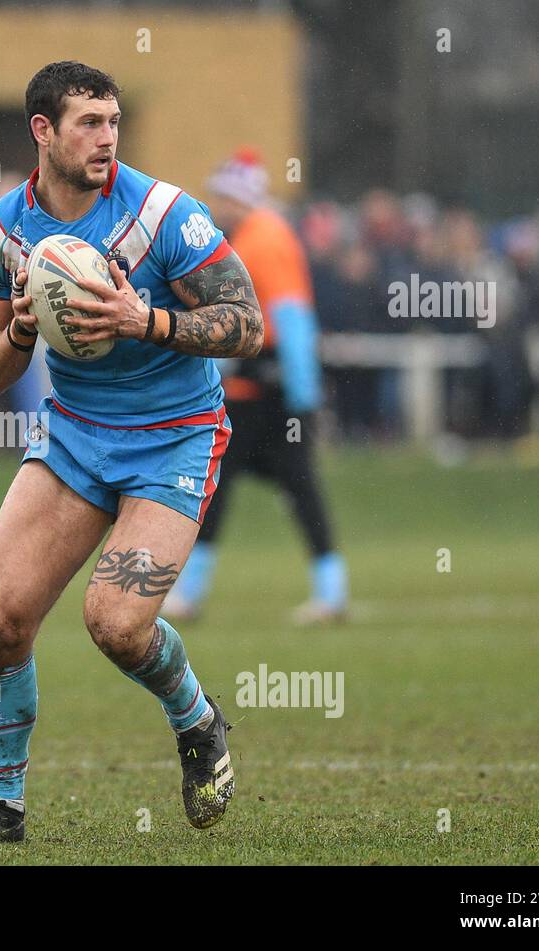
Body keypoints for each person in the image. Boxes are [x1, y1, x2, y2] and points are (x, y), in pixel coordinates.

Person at [0, 61, 263, 843]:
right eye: (89, 122)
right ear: (42, 132)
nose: (107, 137)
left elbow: (246, 322)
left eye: (114, 121)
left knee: (116, 625)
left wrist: (143, 320)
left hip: (174, 439)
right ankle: (2, 808)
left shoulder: (163, 214)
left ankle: (196, 721)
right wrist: (21, 327)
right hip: (75, 437)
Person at [163, 148, 349, 626]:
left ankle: (329, 590)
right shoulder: (254, 235)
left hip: (267, 394)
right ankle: (329, 588)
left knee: (274, 486)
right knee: (251, 487)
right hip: (254, 392)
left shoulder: (264, 239)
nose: (216, 204)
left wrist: (302, 396)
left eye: (222, 195)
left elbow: (290, 316)